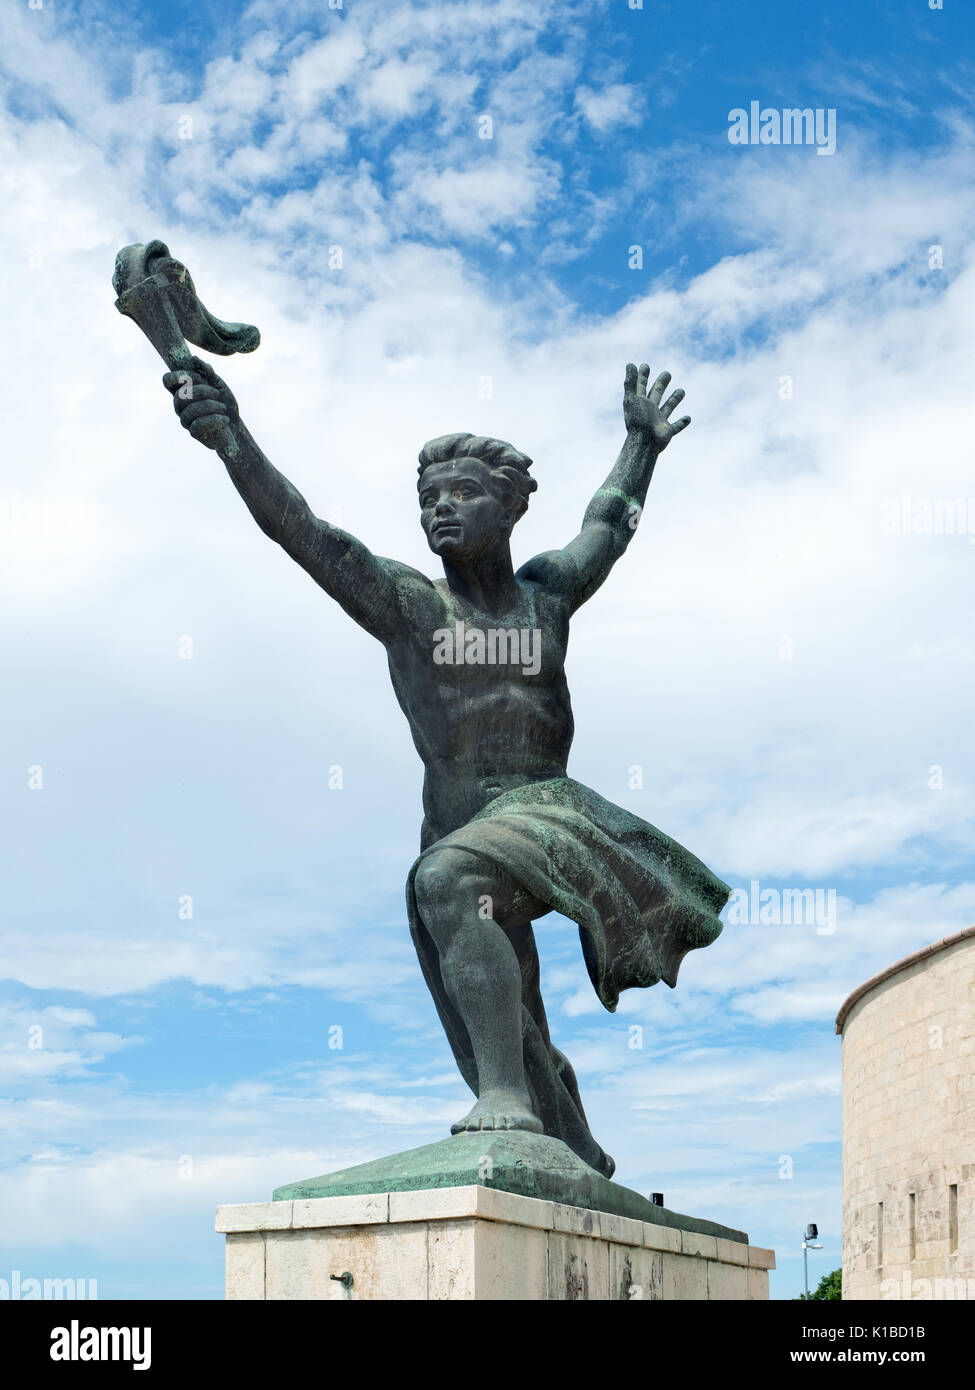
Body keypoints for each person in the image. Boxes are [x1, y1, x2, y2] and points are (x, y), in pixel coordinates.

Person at [163, 359, 730, 1179]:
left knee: (447, 882)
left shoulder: (547, 595)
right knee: (507, 1020)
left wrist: (640, 445)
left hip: (545, 811)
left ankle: (506, 1097)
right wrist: (231, 438)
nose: (439, 509)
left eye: (461, 494)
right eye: (428, 498)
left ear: (509, 508)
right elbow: (303, 531)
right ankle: (570, 1140)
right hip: (464, 823)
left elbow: (608, 526)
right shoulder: (407, 604)